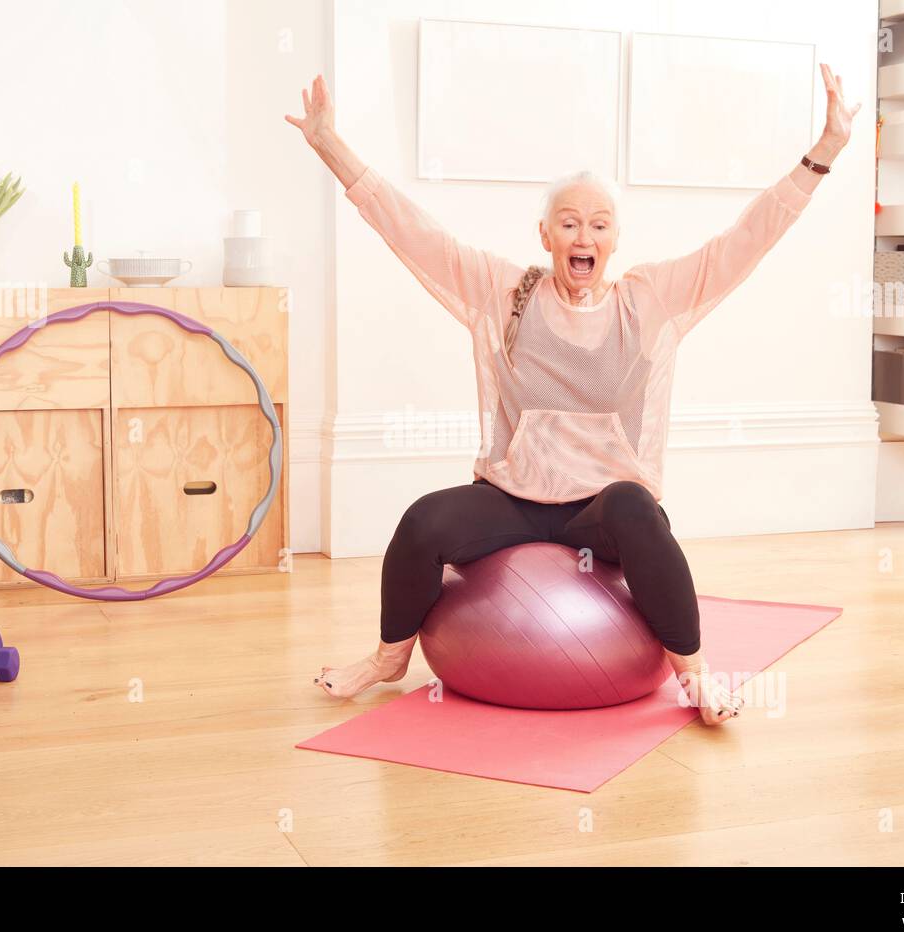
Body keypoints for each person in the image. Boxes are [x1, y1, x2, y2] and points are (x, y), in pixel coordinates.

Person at [287, 64, 858, 724]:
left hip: (603, 510)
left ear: (615, 239)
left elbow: (746, 240)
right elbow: (410, 229)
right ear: (545, 236)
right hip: (512, 499)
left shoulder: (650, 302)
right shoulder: (500, 293)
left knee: (639, 512)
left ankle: (695, 675)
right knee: (422, 523)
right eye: (568, 224)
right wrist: (329, 143)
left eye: (599, 225)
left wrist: (824, 155)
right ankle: (390, 657)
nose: (583, 237)